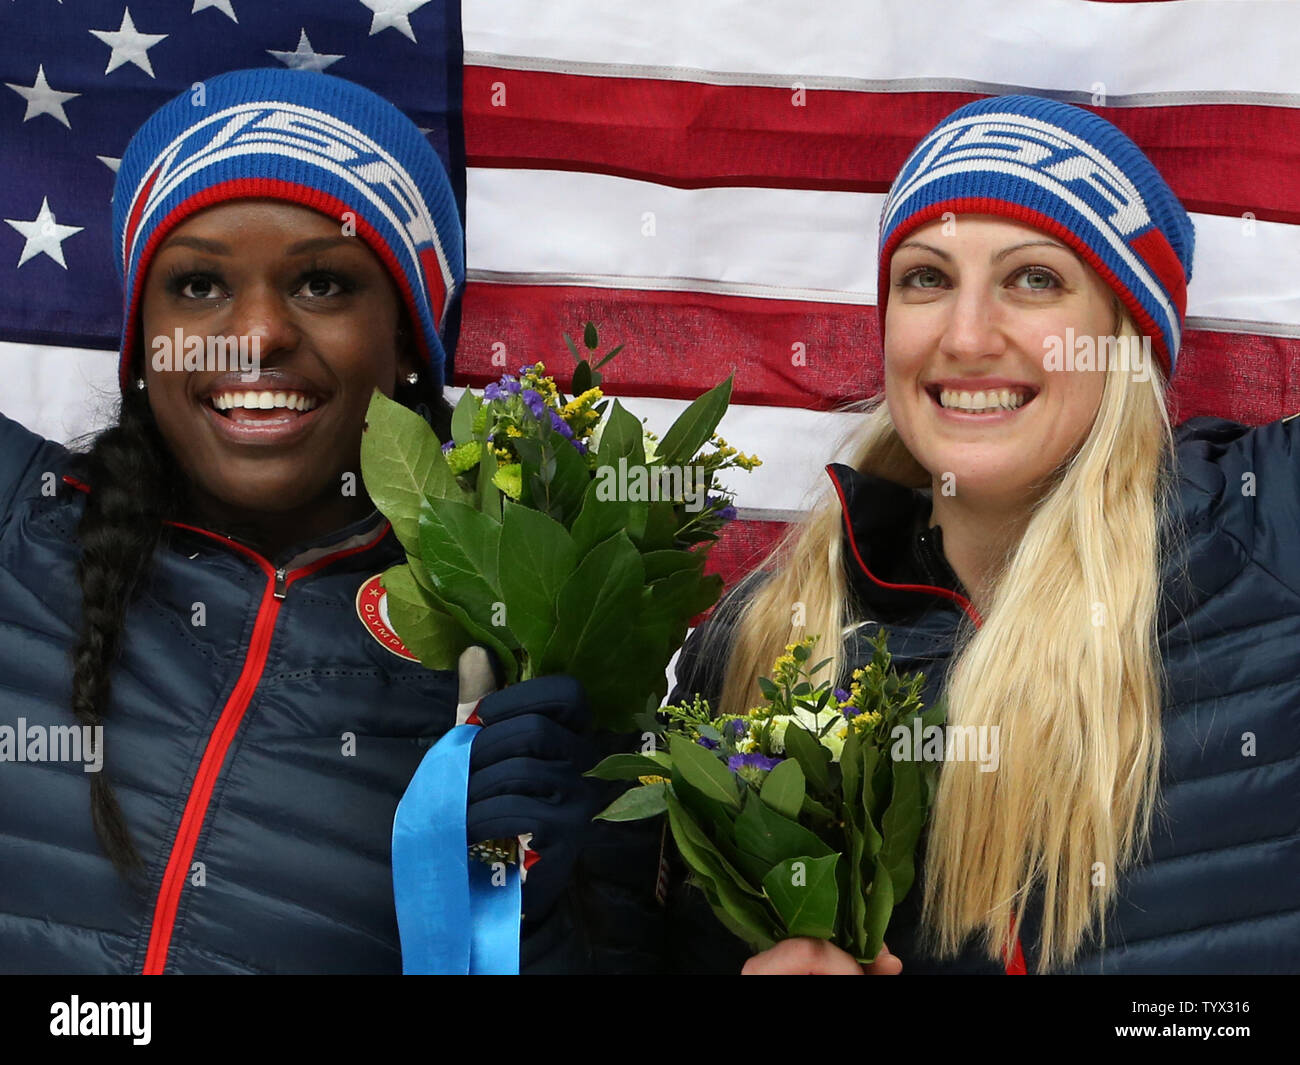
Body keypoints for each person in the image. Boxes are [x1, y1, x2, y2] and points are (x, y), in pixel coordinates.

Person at [0, 67, 658, 974]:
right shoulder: (14, 519)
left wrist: (532, 927)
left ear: (407, 346)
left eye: (320, 283)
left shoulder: (536, 656)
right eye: (197, 285)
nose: (259, 331)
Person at [667, 94, 1300, 975]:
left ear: (1128, 336)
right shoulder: (760, 639)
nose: (966, 337)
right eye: (926, 277)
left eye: (1033, 278)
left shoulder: (1266, 524)